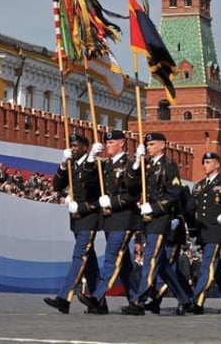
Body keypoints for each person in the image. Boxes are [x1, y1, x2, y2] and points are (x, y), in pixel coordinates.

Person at [121, 132, 191, 316]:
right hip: (146, 219)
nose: (149, 147)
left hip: (161, 219)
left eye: (152, 144)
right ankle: (184, 298)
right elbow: (131, 185)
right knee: (162, 267)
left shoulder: (168, 166)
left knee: (150, 259)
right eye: (147, 144)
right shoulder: (146, 165)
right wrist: (135, 163)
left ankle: (139, 300)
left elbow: (174, 193)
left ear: (162, 145)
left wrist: (153, 207)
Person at [76, 130, 141, 314]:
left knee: (112, 258)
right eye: (106, 142)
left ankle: (97, 297)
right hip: (110, 220)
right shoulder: (103, 165)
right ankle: (136, 302)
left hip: (125, 218)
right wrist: (90, 158)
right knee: (124, 263)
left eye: (111, 142)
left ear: (122, 143)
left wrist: (112, 202)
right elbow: (86, 183)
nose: (107, 145)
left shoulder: (129, 164)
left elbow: (133, 191)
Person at [44, 134, 103, 314]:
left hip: (89, 216)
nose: (73, 149)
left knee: (79, 256)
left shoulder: (93, 164)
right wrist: (63, 164)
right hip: (77, 219)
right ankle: (99, 303)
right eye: (71, 146)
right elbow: (56, 185)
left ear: (85, 147)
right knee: (89, 261)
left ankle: (64, 298)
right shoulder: (71, 164)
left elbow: (88, 182)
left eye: (76, 146)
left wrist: (91, 158)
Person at [188, 152, 221, 314]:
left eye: (209, 162)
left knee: (206, 265)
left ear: (217, 165)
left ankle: (197, 300)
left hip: (216, 231)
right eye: (204, 162)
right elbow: (192, 207)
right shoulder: (199, 185)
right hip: (203, 231)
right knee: (216, 270)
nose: (205, 165)